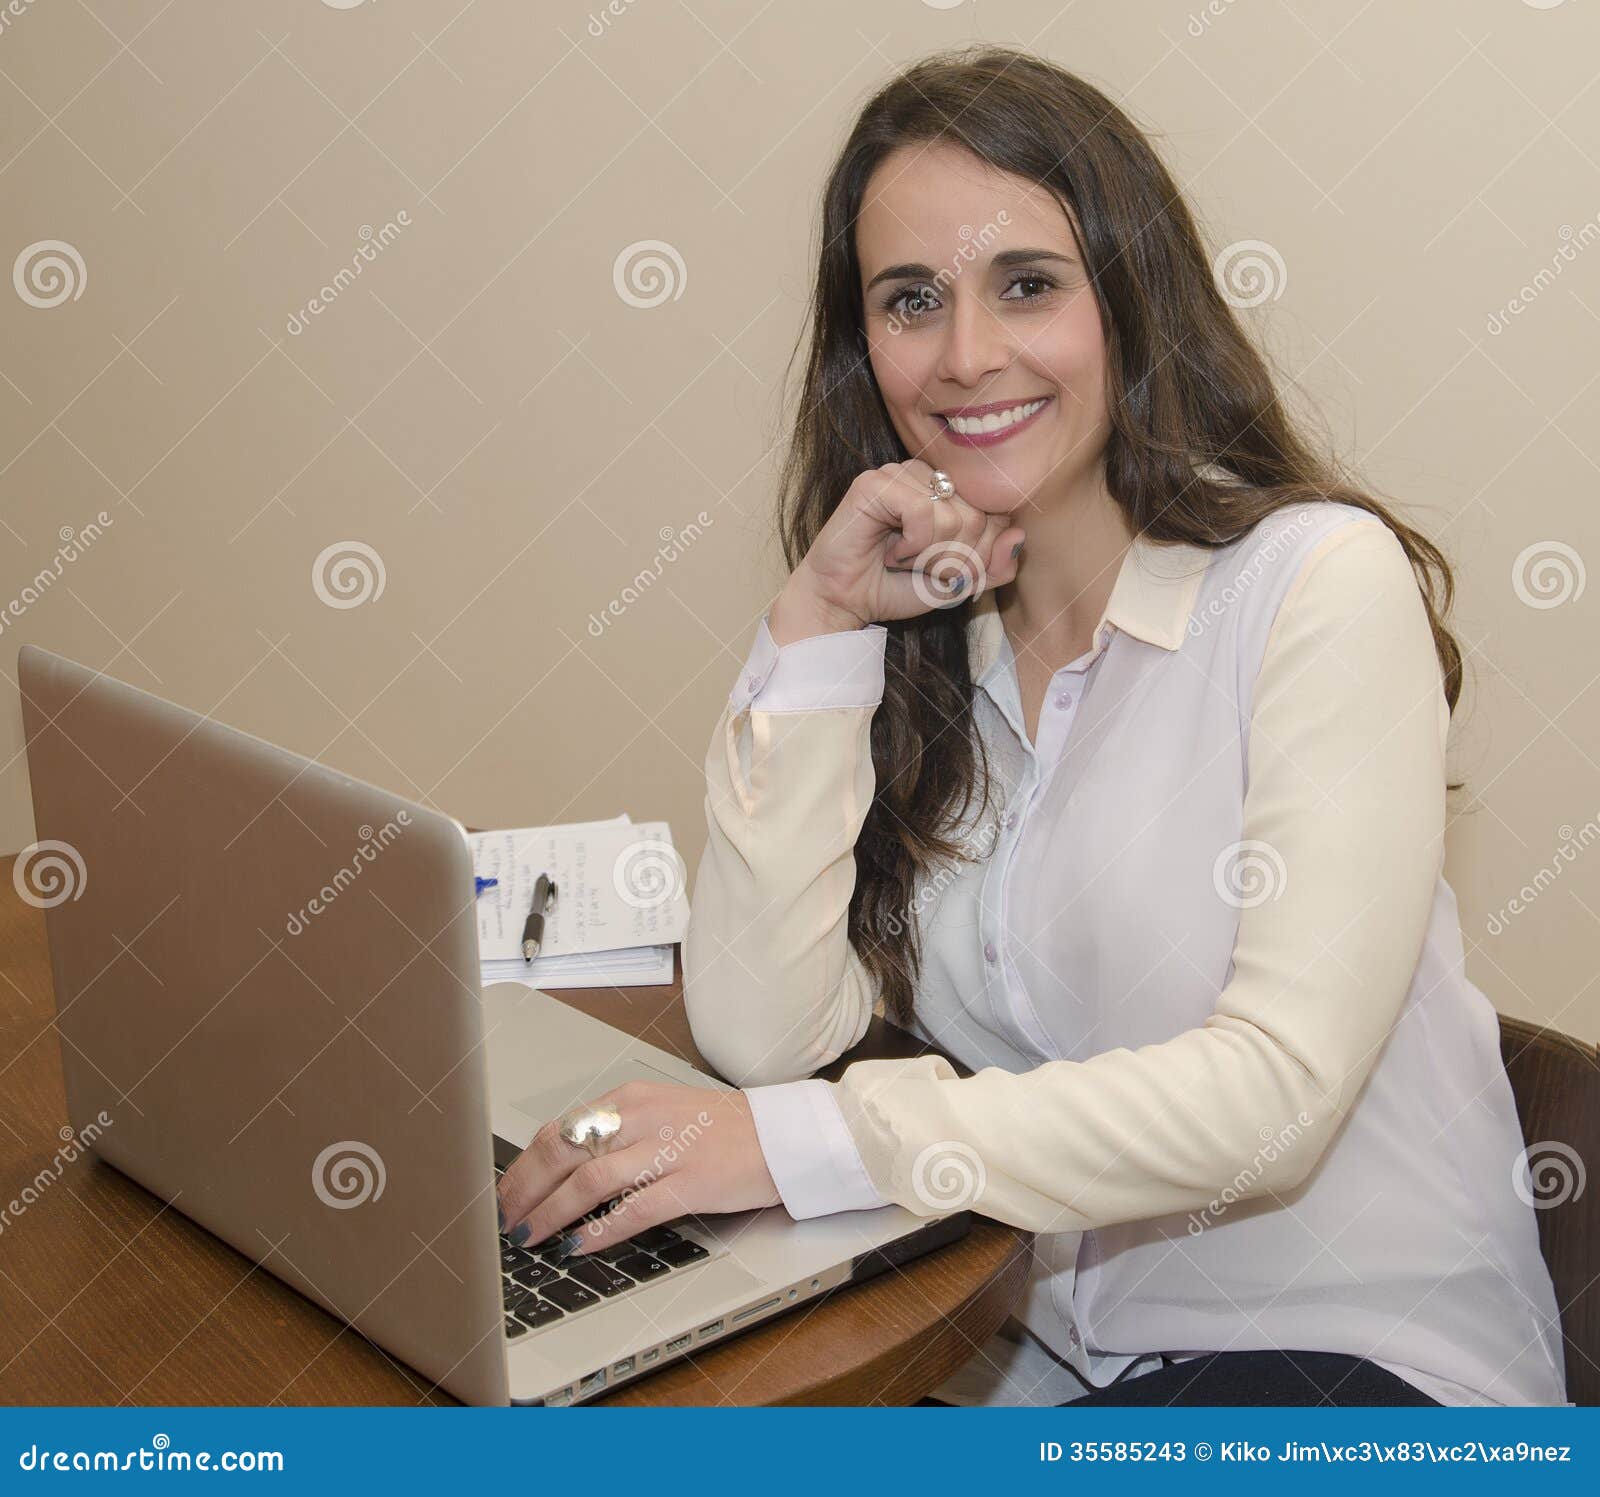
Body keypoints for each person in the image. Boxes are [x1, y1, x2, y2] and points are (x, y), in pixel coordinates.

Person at [495, 43, 1568, 1407]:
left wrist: (800, 1142)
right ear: (862, 348)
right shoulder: (935, 650)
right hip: (1040, 1370)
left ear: (1129, 299)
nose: (965, 355)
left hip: (1358, 1378)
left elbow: (1271, 1103)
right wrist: (820, 625)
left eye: (1027, 285)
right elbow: (763, 1033)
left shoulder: (1313, 586)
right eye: (908, 300)